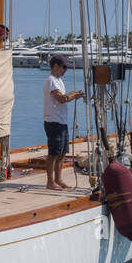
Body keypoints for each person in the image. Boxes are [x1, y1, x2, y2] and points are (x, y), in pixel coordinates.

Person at [43, 54, 84, 191]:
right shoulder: (51, 81)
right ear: (55, 66)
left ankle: (58, 179)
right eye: (64, 67)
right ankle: (50, 182)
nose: (65, 70)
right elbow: (61, 98)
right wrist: (73, 94)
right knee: (53, 153)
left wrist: (73, 95)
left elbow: (65, 97)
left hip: (61, 121)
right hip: (53, 122)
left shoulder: (59, 81)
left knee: (62, 153)